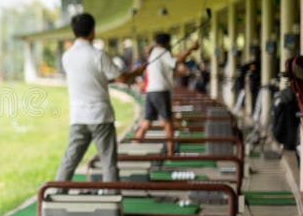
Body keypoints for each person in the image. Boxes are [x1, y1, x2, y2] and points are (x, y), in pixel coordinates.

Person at [54, 13, 143, 183]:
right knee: (108, 162)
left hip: (78, 117)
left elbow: (91, 75)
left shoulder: (67, 57)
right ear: (92, 31)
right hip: (101, 116)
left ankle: (55, 194)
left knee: (69, 160)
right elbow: (121, 78)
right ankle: (111, 200)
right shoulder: (98, 55)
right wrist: (136, 73)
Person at [133, 33, 199, 154]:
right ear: (167, 43)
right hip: (160, 91)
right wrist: (190, 49)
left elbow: (169, 71)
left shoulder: (154, 53)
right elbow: (176, 61)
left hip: (150, 91)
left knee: (147, 120)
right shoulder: (163, 52)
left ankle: (135, 142)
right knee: (168, 122)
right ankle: (170, 152)